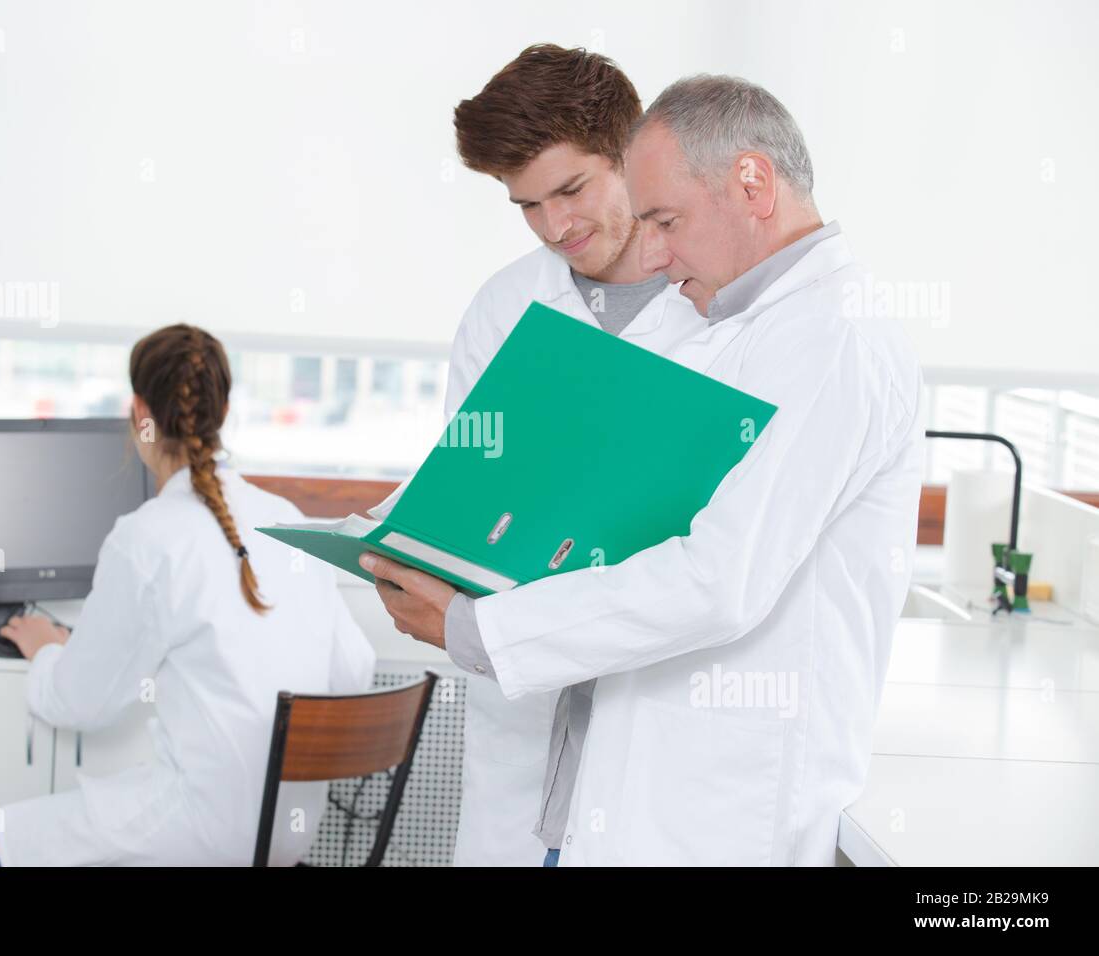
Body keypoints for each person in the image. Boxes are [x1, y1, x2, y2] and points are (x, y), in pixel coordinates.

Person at [361, 74, 924, 866]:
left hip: (719, 802)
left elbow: (716, 578)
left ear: (752, 183)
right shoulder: (733, 322)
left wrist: (478, 627)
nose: (654, 253)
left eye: (666, 219)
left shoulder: (832, 337)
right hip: (624, 778)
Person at [372, 44, 706, 866]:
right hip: (520, 723)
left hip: (660, 715)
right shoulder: (505, 308)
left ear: (633, 154)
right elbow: (471, 492)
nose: (557, 226)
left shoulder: (712, 303)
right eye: (527, 205)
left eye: (571, 189)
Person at [0, 324, 375, 866]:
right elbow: (354, 673)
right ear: (222, 412)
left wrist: (47, 649)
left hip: (199, 835)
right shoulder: (287, 520)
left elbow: (81, 703)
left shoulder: (145, 537)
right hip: (285, 836)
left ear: (139, 414)